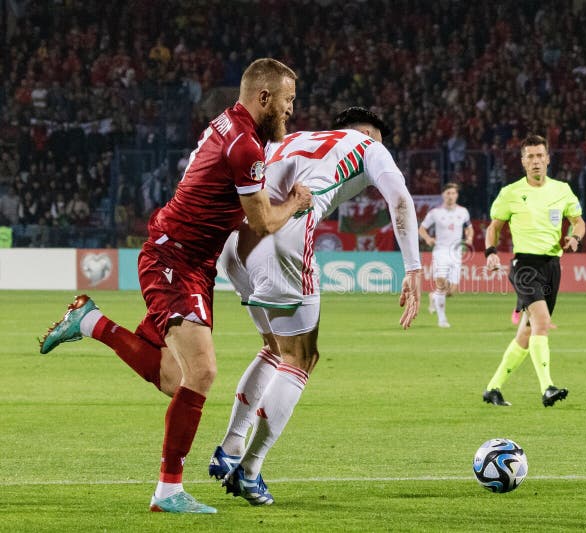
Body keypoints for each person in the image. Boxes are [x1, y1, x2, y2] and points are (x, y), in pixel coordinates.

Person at [37, 58, 312, 514]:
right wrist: (297, 203)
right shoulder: (245, 145)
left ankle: (92, 323)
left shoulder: (229, 124)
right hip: (174, 259)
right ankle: (168, 491)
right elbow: (262, 220)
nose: (290, 111)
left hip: (192, 263)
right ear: (264, 98)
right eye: (287, 102)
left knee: (175, 380)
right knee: (201, 374)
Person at [207, 107, 422, 506]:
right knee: (301, 358)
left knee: (275, 348)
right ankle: (249, 471)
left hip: (234, 238)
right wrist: (413, 269)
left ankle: (230, 447)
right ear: (368, 133)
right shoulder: (367, 147)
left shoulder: (293, 138)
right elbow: (401, 200)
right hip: (283, 233)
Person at [482, 134, 585, 408]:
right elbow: (493, 227)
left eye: (540, 155)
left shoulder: (562, 190)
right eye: (531, 156)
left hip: (552, 266)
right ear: (523, 161)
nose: (536, 161)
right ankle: (547, 387)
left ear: (548, 158)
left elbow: (578, 221)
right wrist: (491, 253)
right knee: (541, 323)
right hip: (524, 266)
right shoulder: (511, 193)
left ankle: (493, 388)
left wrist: (575, 238)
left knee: (527, 332)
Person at [419, 182, 473, 328]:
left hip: (456, 253)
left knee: (452, 290)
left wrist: (469, 238)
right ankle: (442, 320)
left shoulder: (463, 212)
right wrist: (428, 239)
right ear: (443, 195)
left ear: (457, 195)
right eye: (448, 193)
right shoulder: (435, 213)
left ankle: (433, 296)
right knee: (441, 283)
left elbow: (469, 228)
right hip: (440, 251)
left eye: (453, 193)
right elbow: (422, 229)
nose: (450, 196)